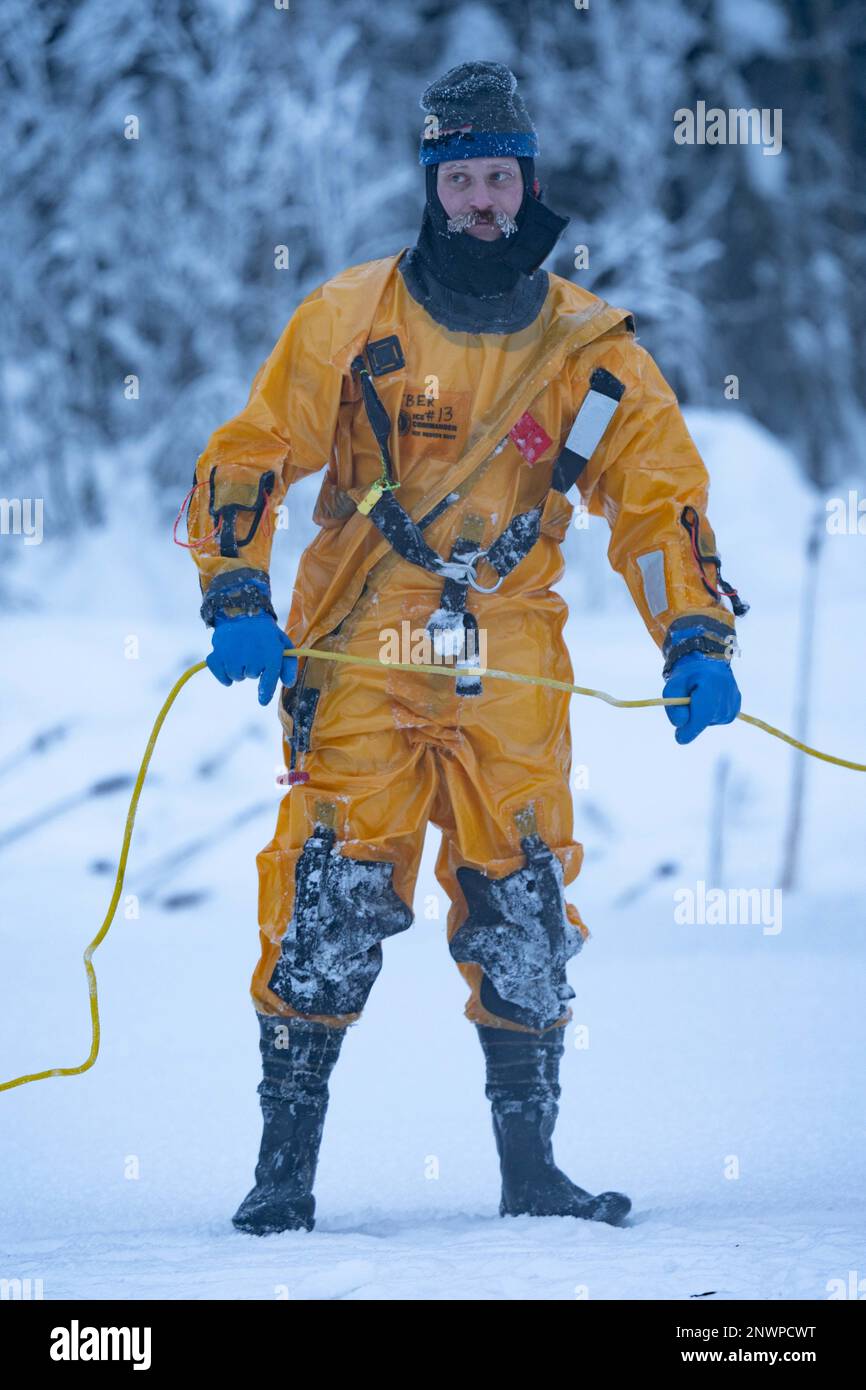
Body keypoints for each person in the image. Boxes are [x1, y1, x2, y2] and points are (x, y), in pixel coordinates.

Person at [183, 62, 745, 1235]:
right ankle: (282, 1173)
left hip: (511, 666)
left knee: (525, 901)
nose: (484, 200)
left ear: (526, 182)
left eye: (500, 177)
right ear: (430, 187)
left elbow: (655, 503)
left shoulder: (589, 349)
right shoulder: (349, 317)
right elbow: (249, 452)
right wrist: (235, 586)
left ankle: (530, 1170)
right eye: (461, 180)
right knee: (329, 893)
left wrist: (691, 630)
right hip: (358, 650)